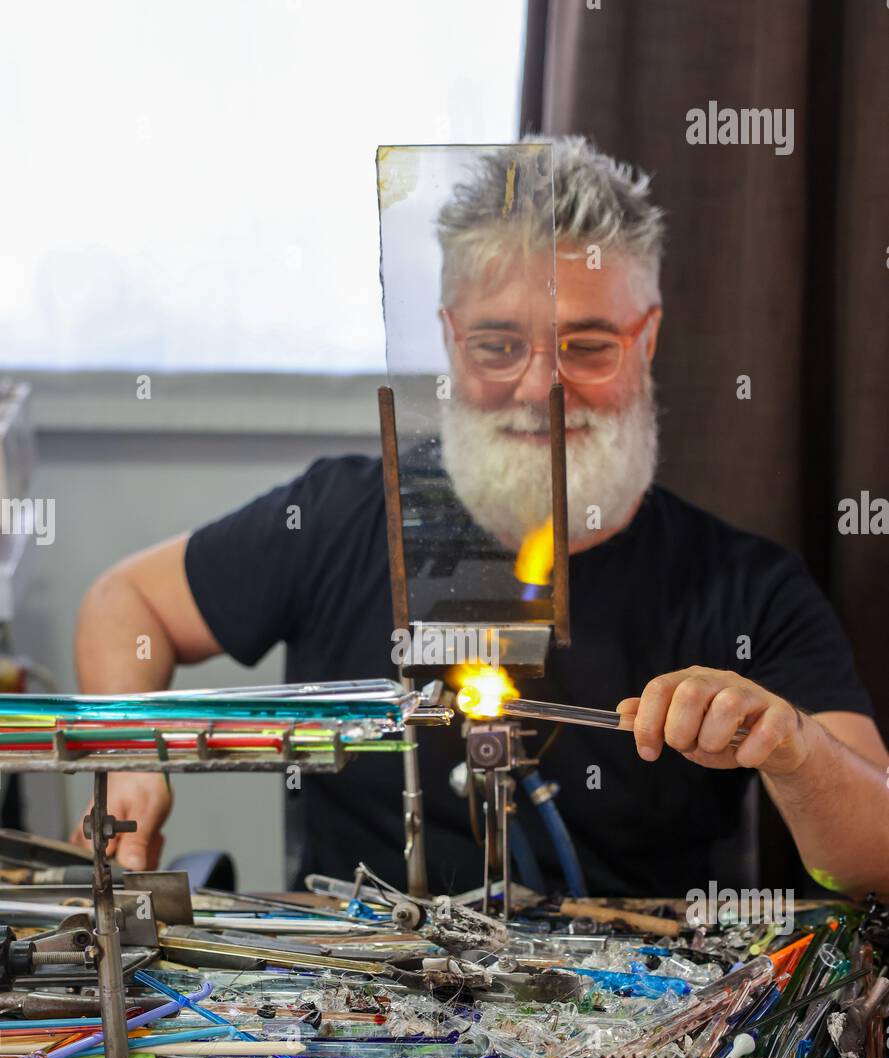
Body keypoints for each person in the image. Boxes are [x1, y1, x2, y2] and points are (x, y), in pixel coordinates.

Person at [73, 136, 889, 899]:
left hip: (630, 1019)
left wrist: (792, 748)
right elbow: (126, 604)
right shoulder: (334, 518)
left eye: (588, 346)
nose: (541, 388)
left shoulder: (745, 588)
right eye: (498, 346)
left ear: (647, 341)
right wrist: (129, 753)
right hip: (356, 1011)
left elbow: (872, 862)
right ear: (449, 339)